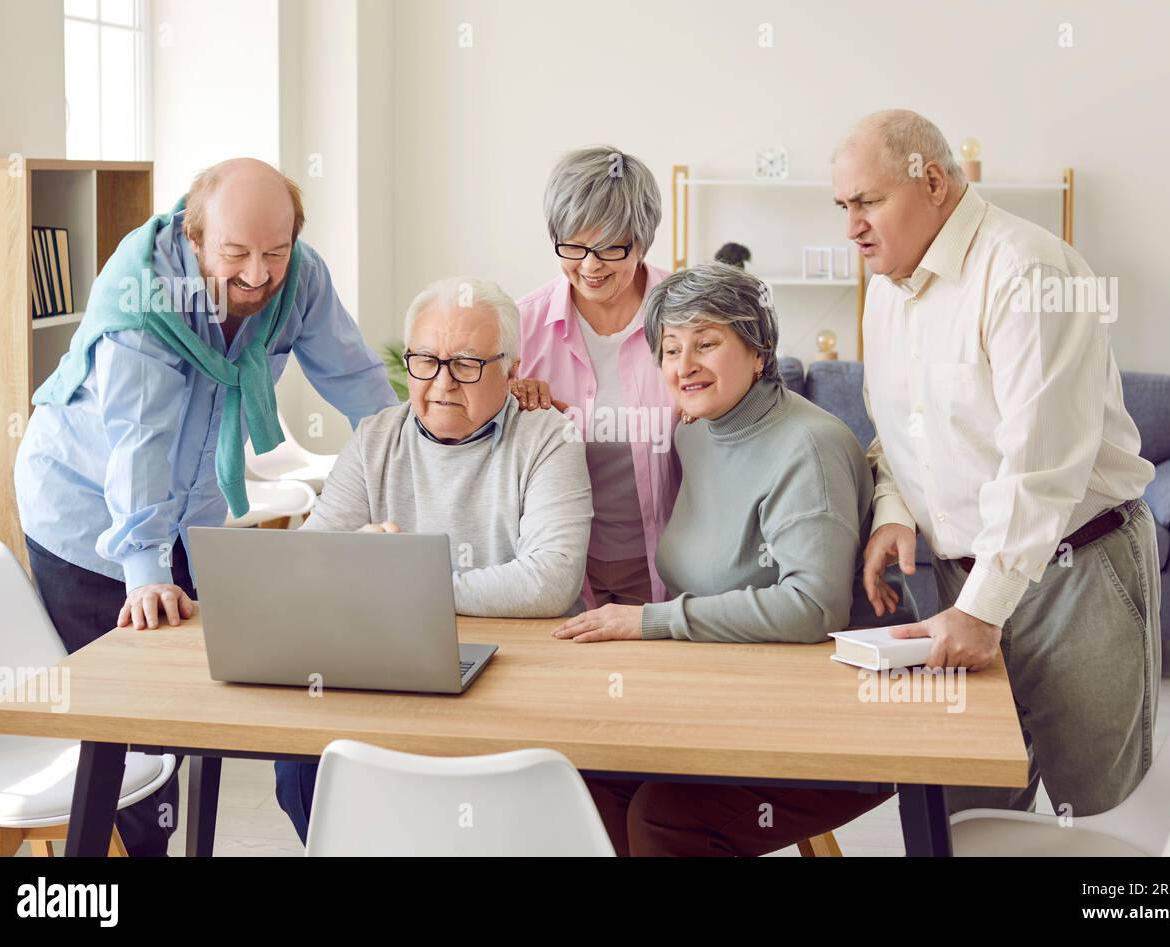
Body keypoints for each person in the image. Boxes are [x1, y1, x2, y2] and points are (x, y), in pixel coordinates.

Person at [13, 157, 398, 855]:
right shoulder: (140, 296)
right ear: (195, 238)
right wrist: (146, 575)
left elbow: (361, 383)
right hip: (85, 514)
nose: (257, 274)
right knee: (135, 735)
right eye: (236, 254)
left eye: (275, 252)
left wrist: (425, 456)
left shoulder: (299, 279)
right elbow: (140, 447)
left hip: (189, 512)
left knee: (193, 718)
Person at [836, 109, 1159, 818]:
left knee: (1099, 816)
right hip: (960, 581)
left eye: (867, 202)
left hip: (1077, 574)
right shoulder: (886, 293)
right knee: (966, 818)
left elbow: (1040, 466)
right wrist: (895, 511)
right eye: (843, 206)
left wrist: (982, 611)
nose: (851, 225)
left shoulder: (1028, 270)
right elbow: (895, 434)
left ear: (932, 182)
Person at [553, 262, 894, 856]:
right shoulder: (697, 431)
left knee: (666, 820)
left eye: (707, 344)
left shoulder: (807, 447)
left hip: (839, 716)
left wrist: (649, 621)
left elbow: (811, 609)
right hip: (735, 695)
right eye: (670, 349)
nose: (684, 366)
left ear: (760, 353)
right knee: (588, 776)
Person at [273, 276, 593, 843]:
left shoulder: (548, 438)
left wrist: (405, 582)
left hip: (515, 677)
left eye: (467, 364)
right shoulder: (375, 437)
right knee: (302, 769)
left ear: (512, 370)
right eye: (425, 361)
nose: (442, 383)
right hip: (390, 666)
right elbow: (309, 561)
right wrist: (357, 565)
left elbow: (550, 579)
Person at [513, 146, 679, 608]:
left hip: (666, 564)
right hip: (555, 565)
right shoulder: (520, 328)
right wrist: (509, 407)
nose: (589, 266)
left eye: (610, 247)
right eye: (573, 246)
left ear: (642, 242)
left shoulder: (688, 316)